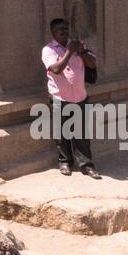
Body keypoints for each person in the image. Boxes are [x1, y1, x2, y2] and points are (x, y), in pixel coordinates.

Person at [41, 17, 99, 178]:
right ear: (53, 33)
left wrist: (80, 51)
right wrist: (69, 52)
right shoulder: (48, 50)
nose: (64, 32)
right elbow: (56, 69)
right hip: (60, 97)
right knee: (62, 133)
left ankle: (87, 165)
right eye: (61, 29)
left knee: (81, 134)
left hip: (80, 97)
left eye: (66, 28)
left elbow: (92, 64)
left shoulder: (78, 46)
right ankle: (64, 162)